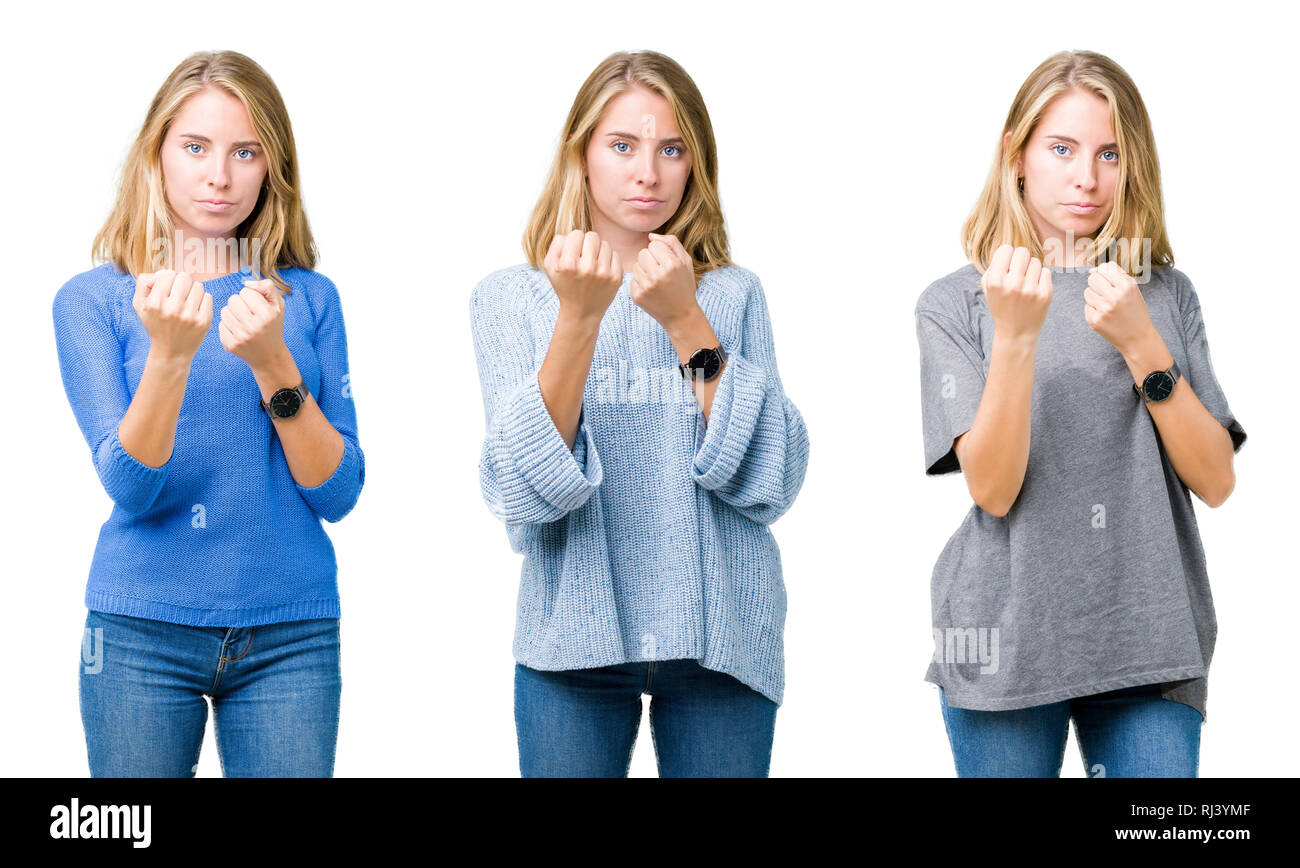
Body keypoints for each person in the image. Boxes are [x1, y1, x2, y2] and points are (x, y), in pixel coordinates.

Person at [470, 50, 809, 777]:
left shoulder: (732, 295)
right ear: (581, 155)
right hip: (572, 642)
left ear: (696, 164)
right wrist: (578, 320)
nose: (647, 174)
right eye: (622, 146)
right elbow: (521, 492)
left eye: (671, 149)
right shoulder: (510, 299)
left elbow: (772, 478)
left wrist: (687, 320)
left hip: (721, 638)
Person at [915, 50, 1246, 778]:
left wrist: (1141, 347)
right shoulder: (957, 302)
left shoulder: (1166, 294)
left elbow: (1216, 481)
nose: (1086, 178)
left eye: (1109, 153)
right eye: (1061, 149)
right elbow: (993, 488)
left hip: (1150, 642)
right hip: (1003, 637)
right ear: (1018, 155)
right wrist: (1018, 336)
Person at [52, 51, 364, 777]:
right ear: (155, 154)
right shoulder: (93, 302)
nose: (219, 176)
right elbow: (132, 486)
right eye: (196, 147)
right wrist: (169, 356)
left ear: (271, 167)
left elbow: (340, 491)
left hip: (292, 630)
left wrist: (271, 362)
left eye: (244, 152)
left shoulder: (310, 299)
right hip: (139, 633)